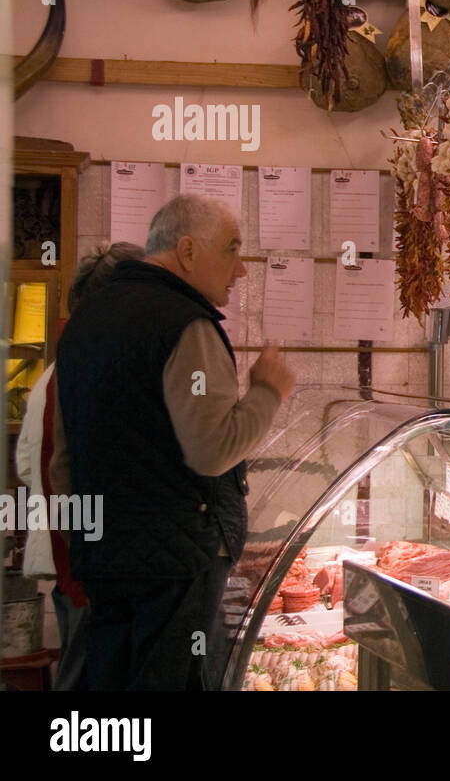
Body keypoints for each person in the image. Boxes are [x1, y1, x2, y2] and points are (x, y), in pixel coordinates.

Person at [56, 195, 296, 690]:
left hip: (103, 555)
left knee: (109, 682)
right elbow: (213, 450)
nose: (242, 270)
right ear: (187, 251)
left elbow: (64, 460)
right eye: (232, 249)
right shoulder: (186, 324)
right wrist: (269, 391)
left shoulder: (86, 320)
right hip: (174, 562)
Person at [15, 242, 144, 690]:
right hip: (95, 570)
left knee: (80, 668)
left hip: (78, 562)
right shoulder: (90, 368)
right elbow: (66, 472)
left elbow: (30, 465)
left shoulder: (63, 367)